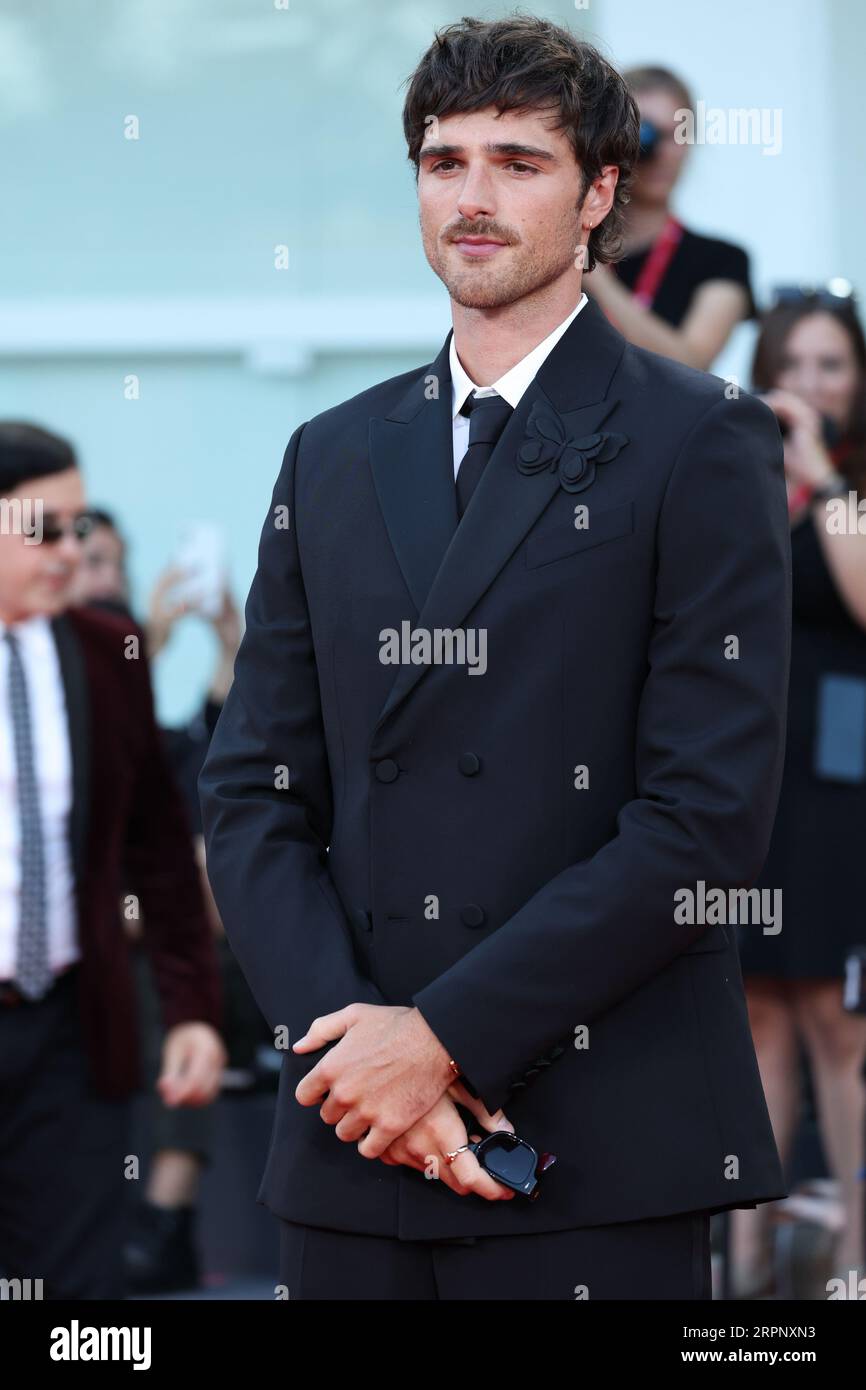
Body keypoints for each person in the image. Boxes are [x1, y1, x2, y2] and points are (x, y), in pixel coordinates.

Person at [198, 15, 791, 1301]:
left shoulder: (704, 441)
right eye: (442, 159)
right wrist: (355, 1061)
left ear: (596, 195)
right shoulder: (333, 452)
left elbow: (703, 818)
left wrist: (447, 1039)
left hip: (591, 1136)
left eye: (517, 163)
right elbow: (252, 792)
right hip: (354, 1136)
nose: (471, 198)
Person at [0, 422, 225, 1299]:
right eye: (42, 529)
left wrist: (193, 1012)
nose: (70, 550)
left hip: (68, 1032)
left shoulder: (107, 653)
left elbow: (162, 856)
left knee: (78, 1299)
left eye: (79, 526)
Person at [732, 287, 866, 1296]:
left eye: (833, 365)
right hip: (743, 772)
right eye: (797, 366)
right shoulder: (728, 472)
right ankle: (745, 1274)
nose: (814, 384)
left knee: (837, 1017)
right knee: (755, 1016)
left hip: (840, 776)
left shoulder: (851, 484)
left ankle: (853, 1263)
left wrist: (820, 477)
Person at [583, 65, 756, 369]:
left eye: (678, 134)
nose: (662, 151)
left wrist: (596, 279)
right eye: (645, 134)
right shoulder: (573, 248)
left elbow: (691, 366)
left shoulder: (722, 260)